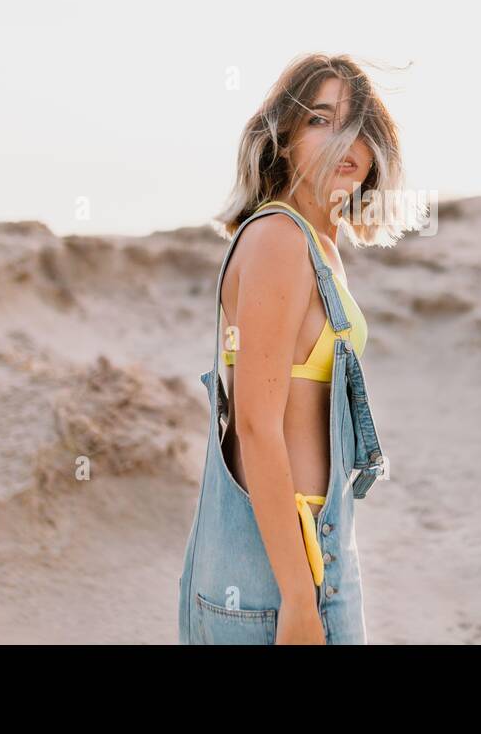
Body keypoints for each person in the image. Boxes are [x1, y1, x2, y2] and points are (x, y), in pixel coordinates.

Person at [177, 53, 417, 644]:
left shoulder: (319, 247)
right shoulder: (278, 240)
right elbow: (256, 425)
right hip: (274, 568)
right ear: (281, 141)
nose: (347, 138)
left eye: (360, 121)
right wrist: (297, 596)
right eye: (321, 118)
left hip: (321, 549)